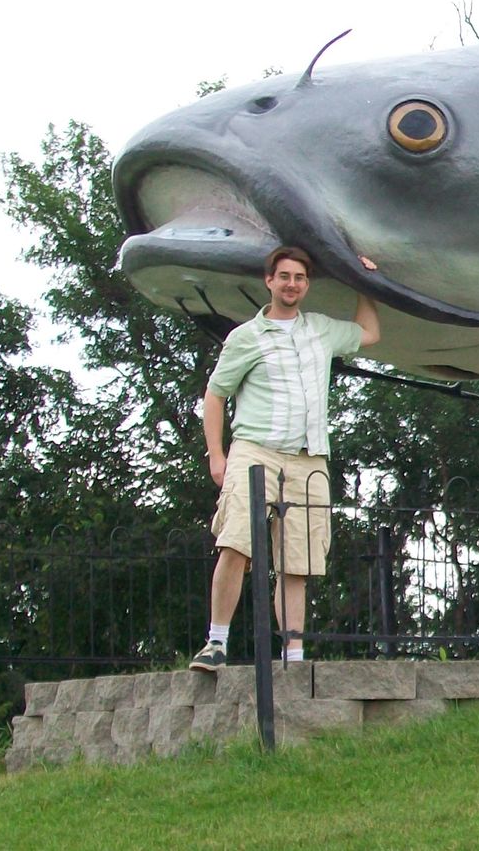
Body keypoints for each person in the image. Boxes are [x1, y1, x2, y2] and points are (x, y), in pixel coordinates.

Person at [189, 246, 380, 671]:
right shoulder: (246, 337)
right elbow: (215, 395)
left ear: (306, 285)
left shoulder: (321, 330)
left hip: (309, 459)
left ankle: (293, 656)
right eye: (284, 276)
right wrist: (216, 456)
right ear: (269, 281)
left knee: (298, 562)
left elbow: (369, 332)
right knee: (236, 544)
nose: (292, 284)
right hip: (254, 450)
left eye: (299, 277)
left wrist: (361, 281)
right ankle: (216, 643)